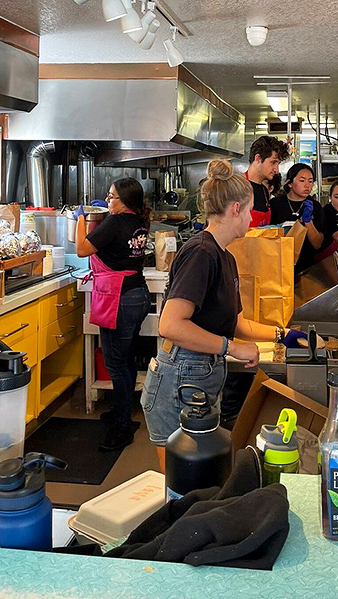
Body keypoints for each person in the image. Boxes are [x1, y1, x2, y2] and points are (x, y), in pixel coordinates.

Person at [141, 159, 286, 471]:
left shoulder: (225, 257)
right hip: (179, 377)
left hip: (201, 375)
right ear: (235, 209)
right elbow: (170, 324)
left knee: (201, 483)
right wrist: (231, 347)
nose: (251, 218)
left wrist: (282, 335)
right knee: (180, 487)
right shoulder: (201, 253)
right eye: (248, 211)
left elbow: (235, 323)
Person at [75, 177, 151, 452]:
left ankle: (122, 427)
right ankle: (124, 414)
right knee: (127, 358)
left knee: (116, 364)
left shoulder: (116, 222)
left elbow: (82, 249)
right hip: (137, 295)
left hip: (118, 298)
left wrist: (80, 219)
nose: (108, 201)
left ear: (125, 201)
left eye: (111, 197)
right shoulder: (138, 222)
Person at [269, 163, 324, 274]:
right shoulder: (275, 204)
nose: (307, 185)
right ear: (289, 183)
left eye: (310, 181)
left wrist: (308, 221)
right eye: (302, 181)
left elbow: (317, 244)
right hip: (279, 265)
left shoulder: (315, 206)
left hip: (308, 268)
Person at [244, 135, 289, 227]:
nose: (276, 170)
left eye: (278, 163)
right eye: (273, 162)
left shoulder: (264, 190)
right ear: (258, 159)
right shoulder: (236, 187)